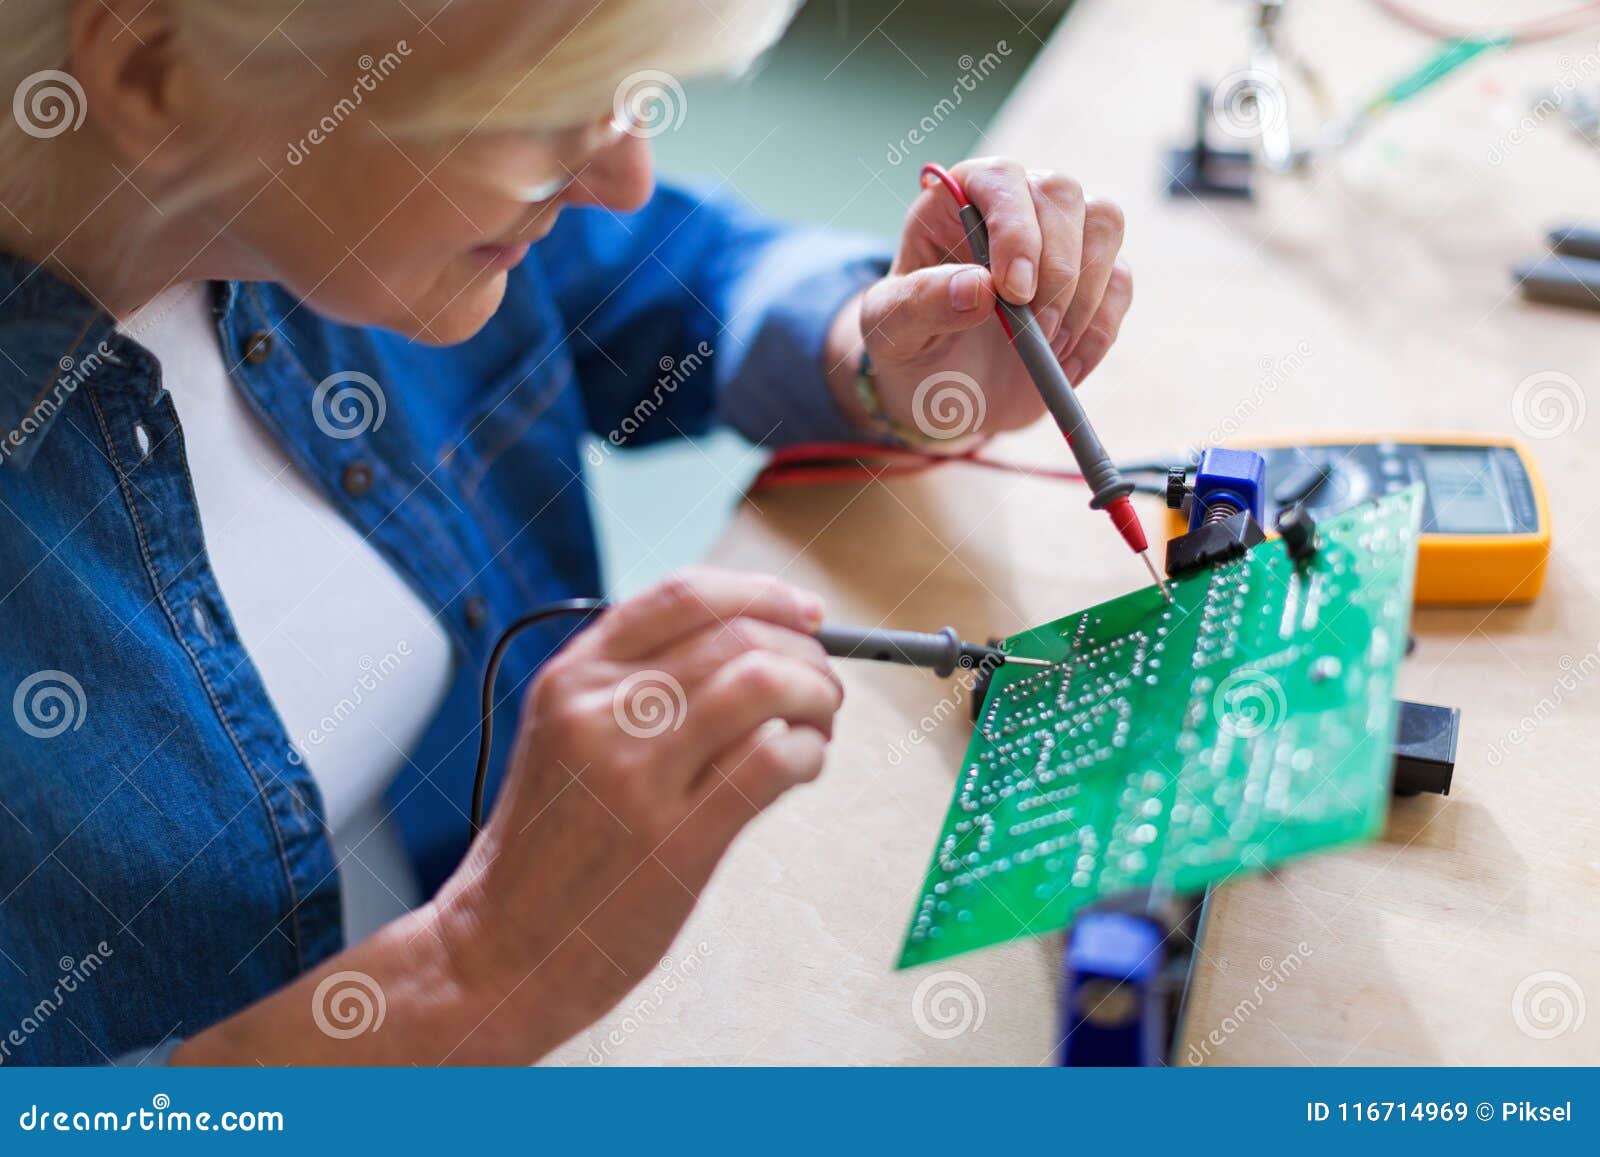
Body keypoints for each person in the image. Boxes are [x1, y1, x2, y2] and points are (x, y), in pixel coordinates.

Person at [0, 0, 1132, 1065]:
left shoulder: (311, 203)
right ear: (152, 71)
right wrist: (470, 977)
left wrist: (889, 358)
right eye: (542, 110)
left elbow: (682, 276)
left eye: (624, 93)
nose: (625, 176)